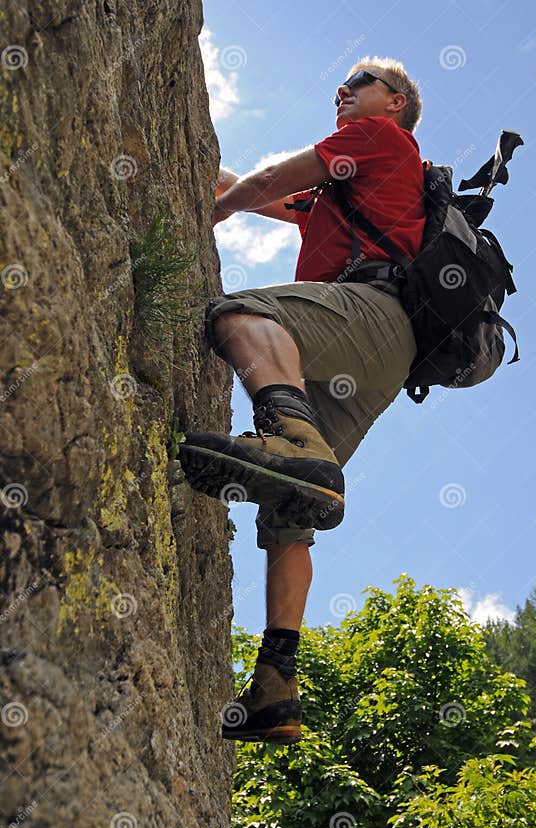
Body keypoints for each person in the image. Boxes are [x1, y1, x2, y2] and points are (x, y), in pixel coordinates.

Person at [179, 56, 425, 744]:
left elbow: (266, 182)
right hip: (377, 360)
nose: (343, 90)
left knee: (237, 313)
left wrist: (215, 211)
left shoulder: (377, 138)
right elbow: (267, 196)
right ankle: (276, 685)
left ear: (395, 103)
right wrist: (208, 176)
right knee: (291, 502)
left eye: (361, 83)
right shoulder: (357, 188)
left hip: (370, 314)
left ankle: (291, 432)